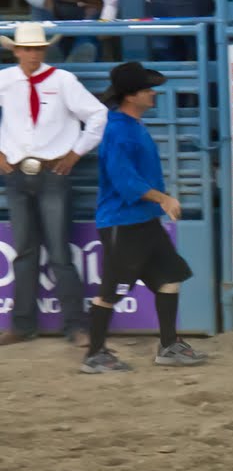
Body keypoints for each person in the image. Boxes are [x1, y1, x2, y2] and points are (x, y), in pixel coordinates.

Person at [81, 61, 208, 374]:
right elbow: (124, 181)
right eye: (147, 88)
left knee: (170, 277)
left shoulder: (129, 126)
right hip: (123, 223)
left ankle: (168, 345)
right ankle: (95, 354)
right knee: (109, 291)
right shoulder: (118, 130)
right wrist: (163, 198)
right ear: (130, 96)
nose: (153, 93)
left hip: (142, 220)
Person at [0, 21, 106, 348]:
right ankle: (26, 324)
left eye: (37, 49)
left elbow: (98, 114)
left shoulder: (62, 81)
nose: (32, 55)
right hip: (18, 172)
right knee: (27, 252)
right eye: (27, 49)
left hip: (52, 172)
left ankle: (73, 325)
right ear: (16, 51)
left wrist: (75, 152)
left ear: (43, 50)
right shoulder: (5, 80)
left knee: (58, 252)